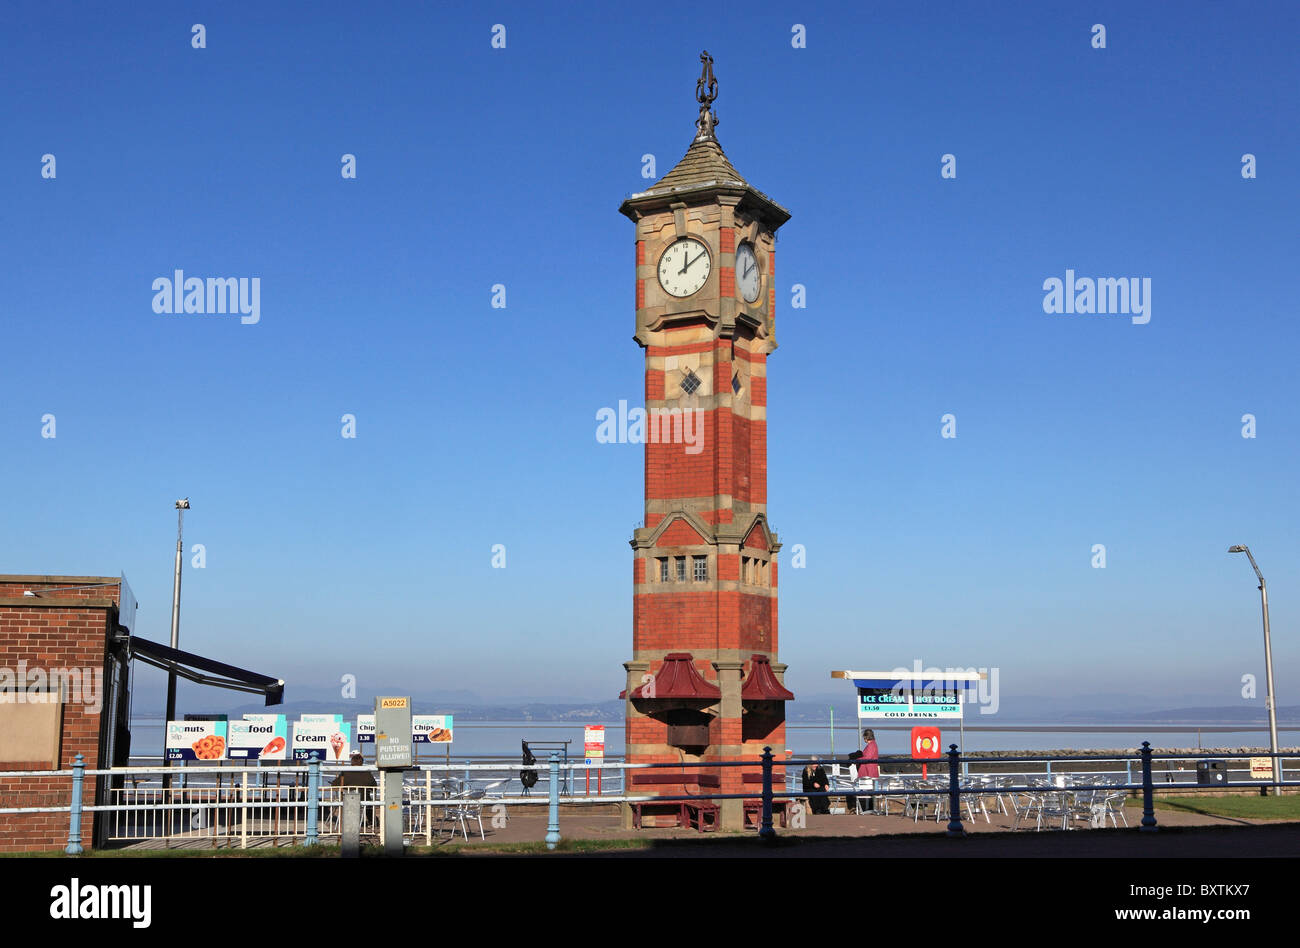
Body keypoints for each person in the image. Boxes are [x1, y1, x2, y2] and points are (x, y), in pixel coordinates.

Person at [857, 729, 881, 811]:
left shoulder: (871, 745)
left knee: (868, 789)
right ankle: (868, 808)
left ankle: (869, 808)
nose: (864, 739)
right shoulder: (872, 745)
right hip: (869, 769)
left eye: (864, 737)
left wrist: (858, 759)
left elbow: (868, 757)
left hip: (869, 770)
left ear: (867, 737)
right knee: (869, 789)